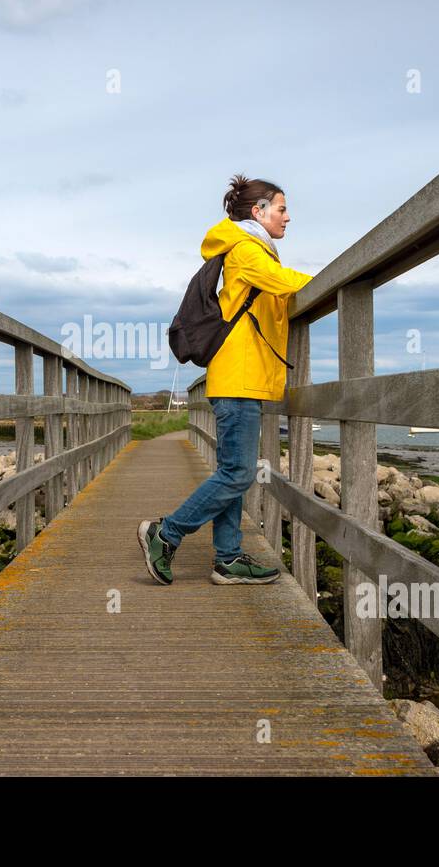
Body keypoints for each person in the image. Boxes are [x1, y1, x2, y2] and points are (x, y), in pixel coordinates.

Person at [139, 174, 315, 585]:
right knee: (237, 473)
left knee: (231, 471)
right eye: (282, 209)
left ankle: (229, 558)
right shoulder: (247, 251)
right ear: (259, 211)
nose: (288, 218)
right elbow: (288, 283)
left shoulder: (252, 249)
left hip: (241, 377)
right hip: (239, 379)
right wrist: (344, 279)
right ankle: (165, 533)